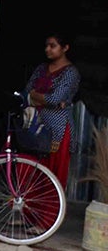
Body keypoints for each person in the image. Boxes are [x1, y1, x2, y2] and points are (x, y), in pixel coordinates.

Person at [23, 32, 81, 185]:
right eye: (46, 46)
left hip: (58, 127)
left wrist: (36, 96)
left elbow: (54, 99)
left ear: (65, 48)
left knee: (53, 172)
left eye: (53, 46)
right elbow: (27, 91)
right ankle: (28, 207)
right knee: (31, 166)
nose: (47, 49)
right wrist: (42, 99)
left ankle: (51, 209)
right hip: (36, 123)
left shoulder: (71, 73)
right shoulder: (42, 68)